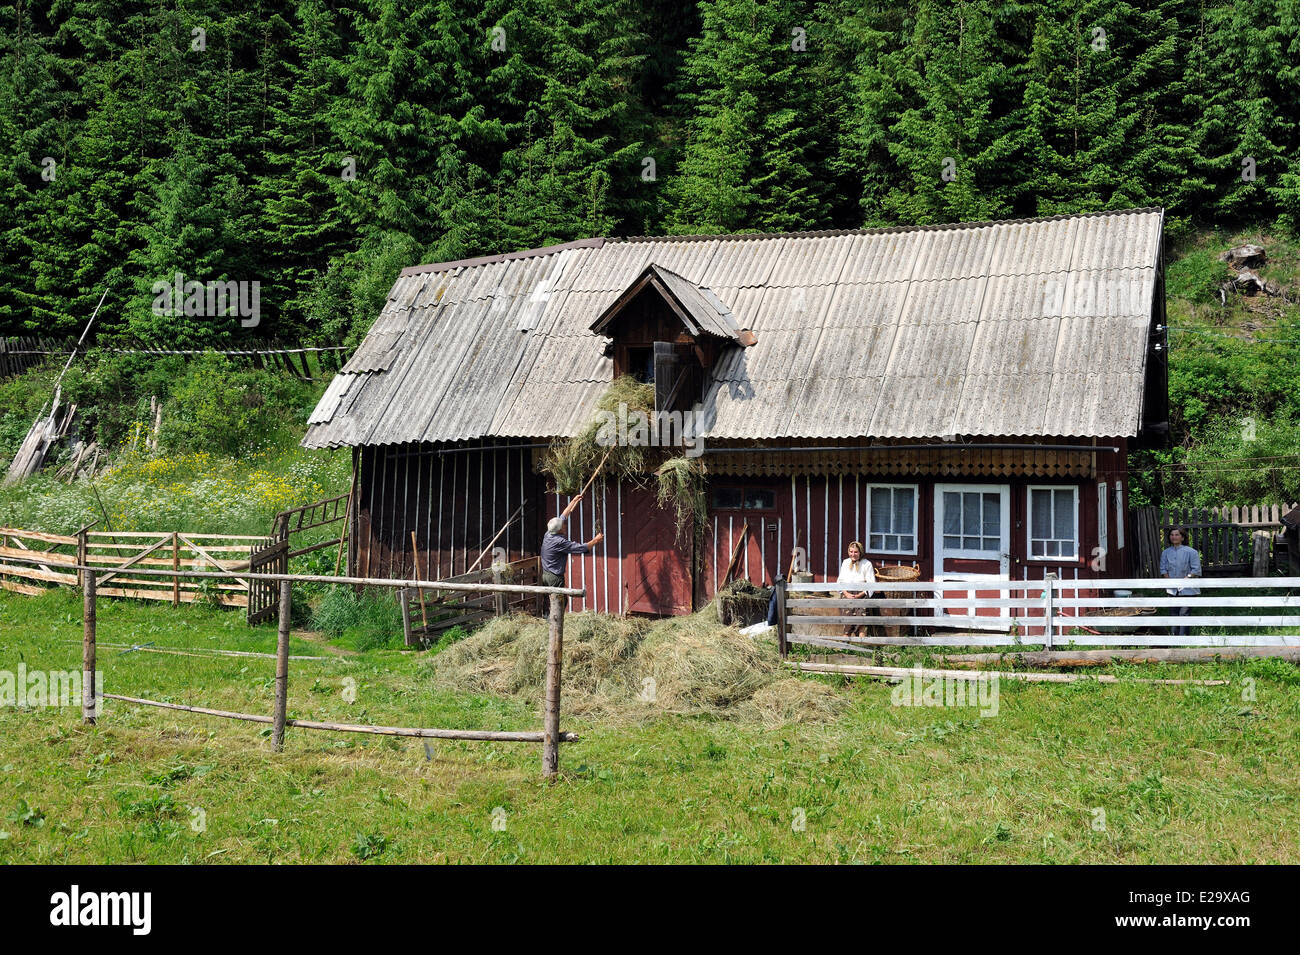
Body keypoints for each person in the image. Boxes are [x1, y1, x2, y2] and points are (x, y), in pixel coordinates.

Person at [541, 493, 604, 589]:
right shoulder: (559, 542)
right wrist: (596, 540)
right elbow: (581, 548)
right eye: (563, 526)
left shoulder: (549, 533)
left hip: (546, 574)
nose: (565, 526)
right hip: (554, 577)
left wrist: (574, 500)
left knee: (556, 601)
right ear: (559, 530)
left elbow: (563, 515)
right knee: (559, 603)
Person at [1159, 527, 1202, 637]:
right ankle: (1173, 637)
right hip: (1171, 588)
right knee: (1173, 612)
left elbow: (1196, 570)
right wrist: (1169, 582)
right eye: (1172, 535)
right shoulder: (1166, 552)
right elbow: (1163, 569)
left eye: (1177, 535)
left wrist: (1186, 579)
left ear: (1182, 537)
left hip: (1188, 588)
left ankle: (1183, 638)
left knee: (1184, 613)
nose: (1174, 537)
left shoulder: (1191, 552)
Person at [837, 541, 875, 637]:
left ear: (860, 552)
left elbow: (871, 583)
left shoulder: (867, 564)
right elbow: (840, 581)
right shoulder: (845, 563)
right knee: (847, 613)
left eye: (855, 552)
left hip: (862, 593)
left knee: (861, 613)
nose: (853, 554)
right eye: (851, 552)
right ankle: (846, 641)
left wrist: (859, 595)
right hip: (847, 592)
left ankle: (862, 640)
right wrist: (846, 593)